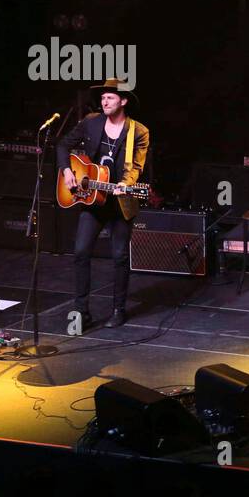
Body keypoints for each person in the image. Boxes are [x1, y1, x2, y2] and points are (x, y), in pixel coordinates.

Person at [55, 79, 150, 329]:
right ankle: (81, 310)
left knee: (119, 257)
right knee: (81, 252)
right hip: (92, 199)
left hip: (120, 202)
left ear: (123, 101)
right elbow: (63, 145)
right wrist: (67, 171)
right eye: (103, 98)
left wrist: (125, 185)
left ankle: (118, 309)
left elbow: (136, 167)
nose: (104, 101)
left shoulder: (138, 131)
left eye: (110, 97)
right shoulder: (91, 122)